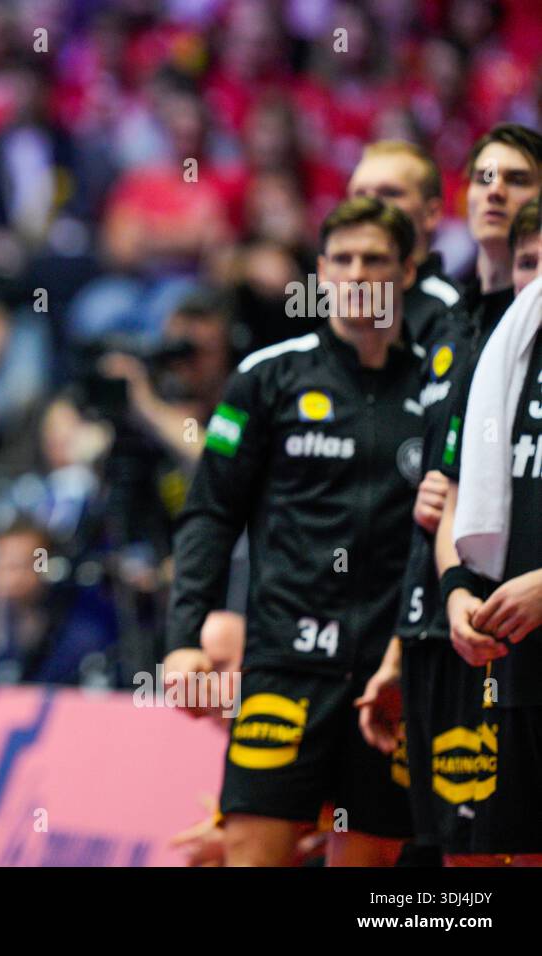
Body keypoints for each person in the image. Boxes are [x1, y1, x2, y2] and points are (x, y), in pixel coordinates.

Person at [163, 197, 426, 866]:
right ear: (321, 271)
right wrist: (185, 639)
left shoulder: (440, 383)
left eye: (376, 259)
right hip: (283, 667)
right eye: (342, 258)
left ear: (408, 270)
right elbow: (209, 516)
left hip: (390, 674)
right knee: (250, 853)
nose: (358, 272)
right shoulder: (267, 378)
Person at [357, 125, 542, 865]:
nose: (494, 191)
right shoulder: (454, 325)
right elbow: (447, 492)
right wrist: (401, 652)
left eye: (517, 178)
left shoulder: (509, 323)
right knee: (450, 856)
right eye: (484, 176)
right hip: (447, 618)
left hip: (510, 627)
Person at [423, 197, 542, 867]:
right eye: (528, 263)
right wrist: (461, 589)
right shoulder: (503, 364)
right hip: (519, 660)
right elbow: (474, 500)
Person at [347, 139, 460, 348]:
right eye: (359, 195)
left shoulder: (453, 312)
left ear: (431, 213)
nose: (369, 206)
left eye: (390, 193)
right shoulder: (332, 303)